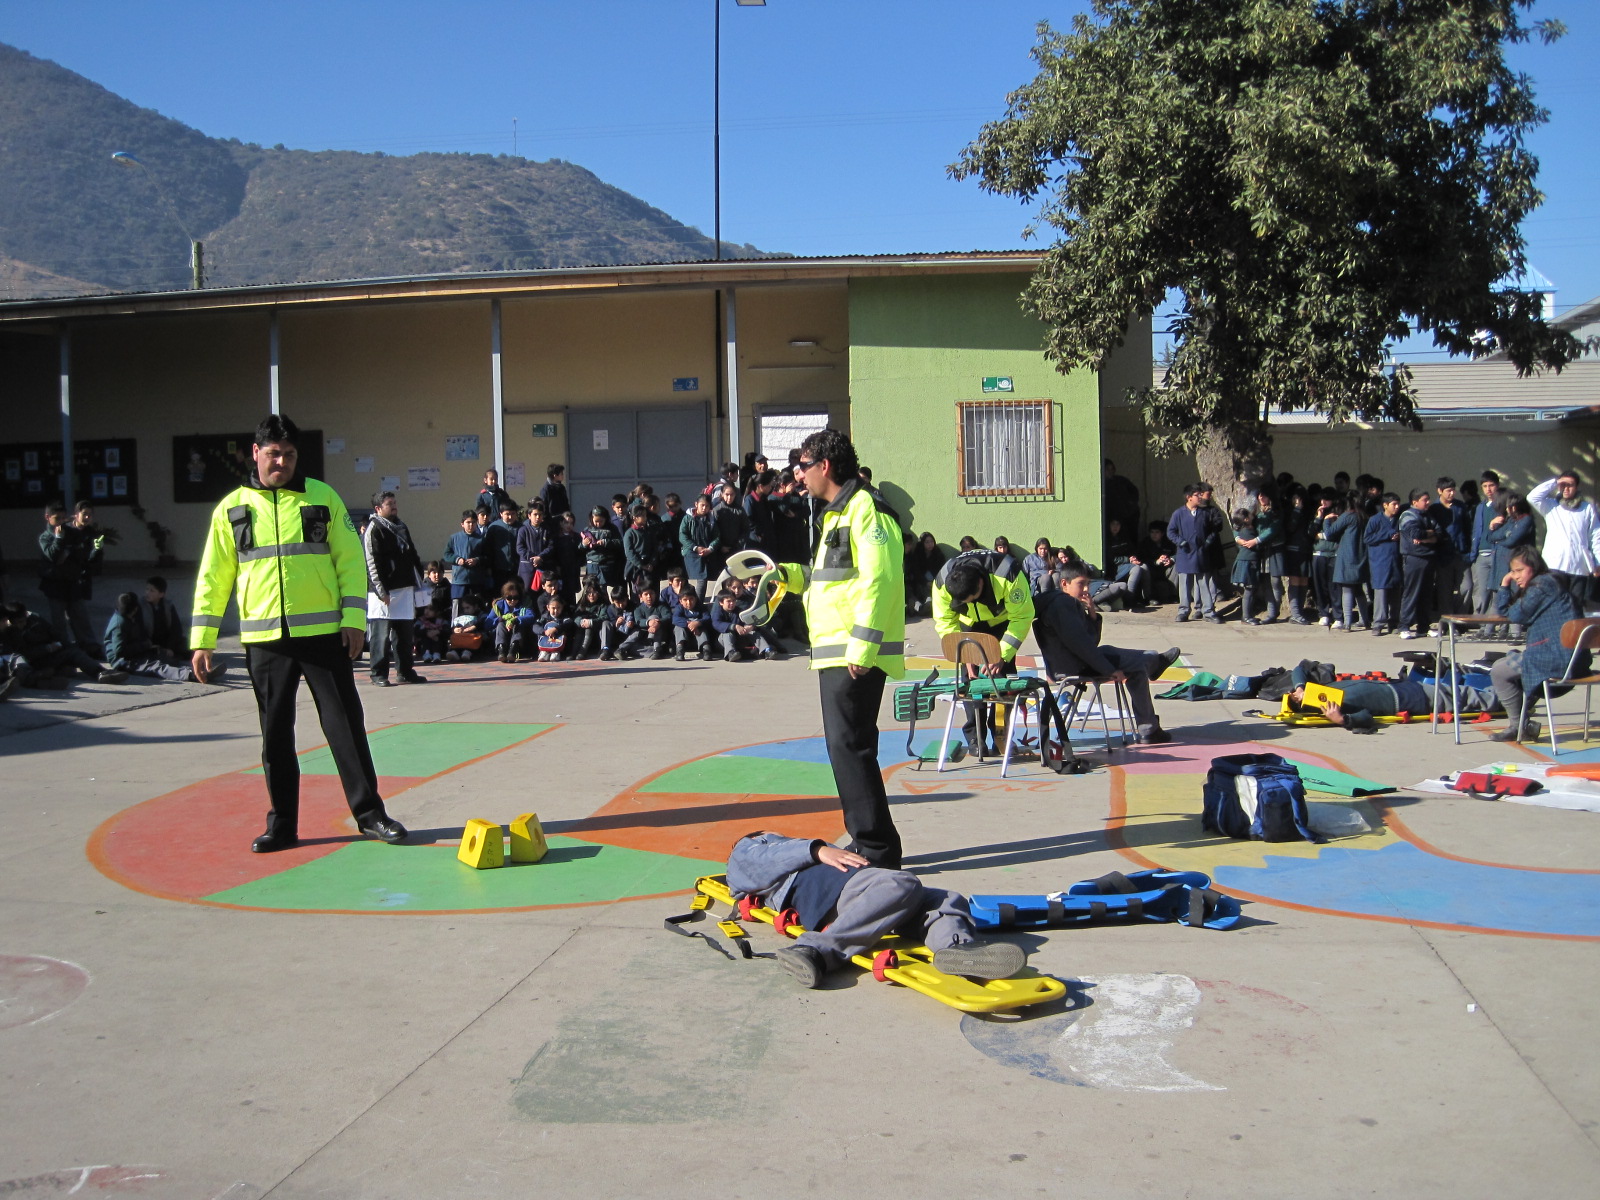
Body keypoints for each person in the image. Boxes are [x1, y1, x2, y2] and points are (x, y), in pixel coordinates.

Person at [191, 413, 407, 853]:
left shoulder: (322, 497)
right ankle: (283, 825)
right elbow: (214, 576)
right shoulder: (232, 509)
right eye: (273, 454)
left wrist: (353, 622)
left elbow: (349, 563)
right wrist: (203, 638)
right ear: (255, 453)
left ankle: (371, 816)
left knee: (345, 726)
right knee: (275, 735)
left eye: (289, 455)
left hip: (323, 636)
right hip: (265, 641)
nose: (281, 463)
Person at [775, 428, 906, 869]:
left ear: (824, 466)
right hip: (838, 652)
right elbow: (828, 579)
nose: (798, 475)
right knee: (849, 748)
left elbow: (880, 579)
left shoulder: (866, 509)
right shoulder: (836, 513)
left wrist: (863, 647)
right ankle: (872, 844)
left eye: (803, 466)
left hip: (853, 654)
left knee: (850, 748)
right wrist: (784, 576)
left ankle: (876, 851)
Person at [726, 831, 1025, 989]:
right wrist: (816, 850)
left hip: (852, 890)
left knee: (945, 899)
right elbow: (748, 865)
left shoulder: (784, 850)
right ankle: (816, 951)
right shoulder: (750, 847)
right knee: (901, 884)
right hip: (832, 890)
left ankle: (958, 950)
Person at [1034, 565, 1179, 744]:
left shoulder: (1065, 604)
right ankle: (1155, 662)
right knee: (1135, 657)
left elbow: (1088, 641)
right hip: (1076, 665)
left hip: (1075, 662)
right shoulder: (1062, 604)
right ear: (1064, 583)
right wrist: (1108, 669)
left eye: (1088, 584)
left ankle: (1149, 730)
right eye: (1081, 584)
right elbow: (1083, 646)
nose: (1086, 589)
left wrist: (1092, 615)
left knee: (1137, 669)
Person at [932, 546, 1033, 757]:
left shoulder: (1008, 573)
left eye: (972, 598)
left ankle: (1001, 737)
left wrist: (1001, 655)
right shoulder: (942, 581)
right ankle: (975, 739)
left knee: (1002, 685)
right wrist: (965, 655)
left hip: (1002, 624)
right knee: (972, 684)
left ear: (980, 583)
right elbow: (944, 621)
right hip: (968, 627)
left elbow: (1022, 616)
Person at [1489, 545, 1591, 743]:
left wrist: (1503, 586)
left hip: (1557, 660)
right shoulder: (1553, 582)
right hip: (1577, 661)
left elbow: (1515, 615)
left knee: (1499, 670)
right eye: (1512, 571)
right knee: (1516, 660)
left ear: (1534, 567)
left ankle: (1518, 726)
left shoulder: (1542, 586)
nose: (1515, 576)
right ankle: (1523, 723)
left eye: (1520, 570)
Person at [363, 490, 428, 687]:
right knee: (380, 636)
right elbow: (372, 562)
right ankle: (378, 674)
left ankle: (405, 671)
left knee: (404, 636)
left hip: (405, 588)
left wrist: (418, 575)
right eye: (389, 504)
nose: (394, 506)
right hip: (384, 592)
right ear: (378, 508)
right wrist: (380, 590)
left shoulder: (401, 526)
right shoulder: (374, 529)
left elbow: (412, 552)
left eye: (394, 502)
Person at [0, 601, 126, 688]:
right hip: (34, 661)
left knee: (73, 651)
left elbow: (54, 633)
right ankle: (46, 677)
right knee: (72, 656)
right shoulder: (11, 632)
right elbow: (24, 654)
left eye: (22, 621)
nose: (20, 625)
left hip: (49, 653)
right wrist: (47, 648)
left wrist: (60, 644)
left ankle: (100, 672)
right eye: (17, 622)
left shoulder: (35, 620)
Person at [37, 503, 102, 655]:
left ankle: (89, 646)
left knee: (80, 617)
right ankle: (64, 649)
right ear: (48, 518)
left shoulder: (73, 533)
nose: (60, 522)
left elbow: (81, 555)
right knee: (59, 621)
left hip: (73, 582)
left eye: (63, 518)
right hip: (55, 584)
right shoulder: (45, 537)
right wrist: (59, 540)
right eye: (56, 518)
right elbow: (52, 555)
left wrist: (68, 553)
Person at [1528, 471, 1600, 608]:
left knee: (1575, 606)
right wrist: (1555, 482)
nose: (1566, 488)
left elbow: (1596, 536)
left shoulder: (1587, 508)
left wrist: (1598, 561)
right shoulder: (1551, 505)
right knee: (1554, 604)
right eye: (1563, 485)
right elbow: (1532, 497)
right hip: (1555, 564)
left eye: (1570, 485)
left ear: (1577, 487)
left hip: (1579, 566)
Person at [104, 592, 196, 682]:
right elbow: (120, 651)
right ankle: (189, 674)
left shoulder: (129, 618)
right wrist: (144, 645)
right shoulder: (119, 624)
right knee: (156, 667)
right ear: (134, 610)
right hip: (123, 662)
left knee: (165, 657)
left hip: (135, 653)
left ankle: (196, 668)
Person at [1167, 485, 1220, 623]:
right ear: (1189, 497)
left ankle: (1208, 611)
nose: (1200, 497)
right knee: (1184, 584)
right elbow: (1171, 531)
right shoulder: (1178, 514)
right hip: (1185, 554)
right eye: (1197, 495)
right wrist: (1181, 542)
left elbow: (1214, 530)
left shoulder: (1204, 513)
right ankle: (1183, 611)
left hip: (1201, 554)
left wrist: (1208, 541)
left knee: (1203, 583)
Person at [1397, 488, 1440, 639]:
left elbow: (1438, 532)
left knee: (1426, 594)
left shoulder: (1428, 515)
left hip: (1429, 558)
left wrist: (1427, 537)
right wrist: (1428, 534)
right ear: (1414, 502)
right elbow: (1415, 533)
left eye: (1428, 499)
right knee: (1412, 592)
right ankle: (1404, 626)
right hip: (1414, 559)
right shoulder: (1407, 516)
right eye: (1424, 500)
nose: (1428, 502)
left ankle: (1424, 626)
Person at [1429, 476, 1472, 619]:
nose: (1452, 493)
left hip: (1460, 553)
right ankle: (1447, 620)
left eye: (1453, 490)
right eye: (1448, 491)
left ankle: (1460, 619)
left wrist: (1468, 549)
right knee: (1444, 590)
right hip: (1442, 556)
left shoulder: (1460, 506)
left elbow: (1467, 528)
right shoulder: (1434, 508)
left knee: (1467, 587)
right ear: (1439, 491)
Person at [1363, 494, 1401, 634]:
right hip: (1380, 561)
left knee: (1395, 592)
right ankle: (1378, 623)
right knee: (1381, 592)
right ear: (1385, 505)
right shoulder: (1375, 520)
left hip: (1395, 561)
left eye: (1398, 504)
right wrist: (1387, 535)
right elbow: (1367, 538)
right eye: (1394, 504)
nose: (1396, 507)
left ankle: (1394, 622)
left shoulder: (1399, 519)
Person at [1468, 471, 1503, 614]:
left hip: (1497, 553)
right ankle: (1481, 624)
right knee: (1481, 591)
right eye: (1485, 486)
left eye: (1491, 485)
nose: (1488, 489)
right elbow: (1477, 530)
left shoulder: (1502, 505)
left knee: (1497, 591)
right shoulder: (1481, 507)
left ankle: (1495, 624)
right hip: (1481, 554)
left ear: (1497, 486)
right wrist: (1473, 553)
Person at [445, 510, 491, 620]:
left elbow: (488, 557)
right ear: (462, 524)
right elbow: (447, 554)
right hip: (459, 580)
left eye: (473, 522)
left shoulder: (482, 539)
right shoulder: (454, 538)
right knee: (457, 608)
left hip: (476, 580)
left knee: (478, 607)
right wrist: (457, 559)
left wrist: (477, 560)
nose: (471, 525)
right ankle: (455, 632)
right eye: (468, 522)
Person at [710, 587, 774, 661]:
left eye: (733, 600)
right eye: (728, 601)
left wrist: (750, 627)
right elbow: (716, 623)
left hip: (739, 639)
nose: (732, 603)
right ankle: (730, 653)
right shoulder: (717, 612)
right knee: (727, 634)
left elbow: (748, 621)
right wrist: (734, 626)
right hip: (722, 642)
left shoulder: (739, 611)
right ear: (721, 603)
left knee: (753, 632)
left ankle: (766, 650)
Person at [679, 494, 723, 596]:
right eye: (702, 505)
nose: (704, 508)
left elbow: (717, 537)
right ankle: (693, 602)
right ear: (696, 504)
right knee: (697, 580)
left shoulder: (711, 519)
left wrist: (710, 548)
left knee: (703, 580)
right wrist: (694, 547)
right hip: (691, 554)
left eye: (707, 506)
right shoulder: (688, 518)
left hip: (706, 554)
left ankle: (698, 602)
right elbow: (682, 536)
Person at [620, 583, 673, 659]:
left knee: (654, 618)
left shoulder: (661, 606)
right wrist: (648, 622)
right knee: (632, 649)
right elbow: (638, 621)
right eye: (646, 594)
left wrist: (658, 622)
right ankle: (658, 651)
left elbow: (668, 616)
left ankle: (657, 648)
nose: (649, 597)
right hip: (644, 636)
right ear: (640, 596)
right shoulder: (638, 608)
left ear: (655, 594)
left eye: (651, 593)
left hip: (659, 635)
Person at [140, 576, 187, 660]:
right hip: (150, 642)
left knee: (186, 646)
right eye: (147, 589)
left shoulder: (168, 606)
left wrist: (170, 647)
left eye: (152, 591)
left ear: (161, 594)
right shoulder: (141, 606)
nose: (147, 593)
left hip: (165, 641)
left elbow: (176, 629)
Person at [1231, 508, 1262, 625]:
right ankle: (1246, 616)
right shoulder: (1247, 531)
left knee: (1251, 589)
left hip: (1249, 560)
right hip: (1247, 561)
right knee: (1249, 589)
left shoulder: (1243, 530)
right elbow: (1255, 546)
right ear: (1245, 519)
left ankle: (1248, 615)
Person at [515, 504, 554, 595]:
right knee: (526, 593)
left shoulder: (546, 530)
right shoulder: (523, 530)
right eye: (535, 514)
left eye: (540, 515)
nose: (538, 517)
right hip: (527, 568)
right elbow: (519, 548)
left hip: (543, 567)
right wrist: (532, 557)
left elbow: (551, 546)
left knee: (543, 593)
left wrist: (540, 557)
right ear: (529, 515)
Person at [904, 532, 945, 616]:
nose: (930, 544)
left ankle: (923, 605)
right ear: (922, 544)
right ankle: (923, 603)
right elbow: (916, 572)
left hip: (935, 583)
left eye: (931, 542)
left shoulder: (938, 555)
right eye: (927, 542)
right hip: (920, 584)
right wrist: (925, 582)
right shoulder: (917, 556)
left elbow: (941, 571)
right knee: (919, 589)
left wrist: (934, 582)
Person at [671, 586, 714, 660]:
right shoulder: (679, 608)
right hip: (685, 639)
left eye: (691, 599)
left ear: (696, 599)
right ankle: (680, 650)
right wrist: (690, 625)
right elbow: (675, 619)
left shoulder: (701, 607)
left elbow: (707, 618)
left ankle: (706, 650)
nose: (688, 602)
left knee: (702, 629)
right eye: (685, 600)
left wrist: (698, 623)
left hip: (698, 638)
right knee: (678, 628)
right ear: (681, 601)